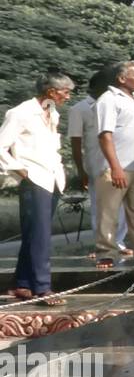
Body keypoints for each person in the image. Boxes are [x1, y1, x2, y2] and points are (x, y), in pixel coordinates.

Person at [0, 71, 75, 304]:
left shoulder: (52, 112)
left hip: (51, 179)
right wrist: (19, 170)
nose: (68, 97)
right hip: (34, 180)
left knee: (36, 234)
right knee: (40, 237)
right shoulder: (20, 113)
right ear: (51, 91)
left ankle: (22, 284)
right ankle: (43, 288)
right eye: (65, 92)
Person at [94, 60, 134, 269]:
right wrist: (115, 167)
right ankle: (106, 252)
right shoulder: (109, 100)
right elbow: (105, 136)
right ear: (122, 78)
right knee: (109, 211)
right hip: (119, 166)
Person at [66, 65, 127, 254]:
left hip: (118, 162)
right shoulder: (79, 109)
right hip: (97, 164)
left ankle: (119, 242)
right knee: (100, 206)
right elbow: (76, 143)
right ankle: (103, 244)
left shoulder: (113, 104)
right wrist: (81, 170)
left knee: (121, 205)